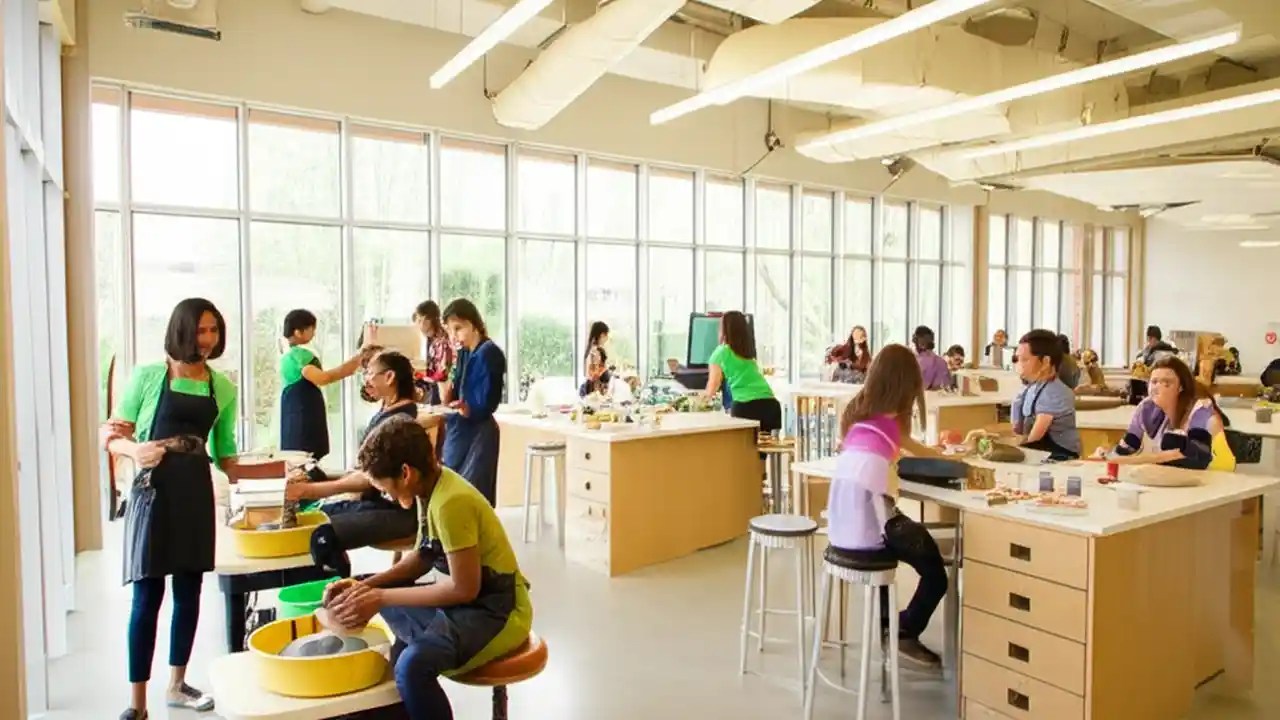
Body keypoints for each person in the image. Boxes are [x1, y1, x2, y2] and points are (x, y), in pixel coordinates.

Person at [322, 415, 532, 720]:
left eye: (384, 488)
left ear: (405, 473)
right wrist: (364, 586)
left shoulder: (450, 502)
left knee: (411, 667)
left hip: (498, 610)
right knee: (383, 613)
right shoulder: (428, 488)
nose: (385, 495)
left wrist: (380, 597)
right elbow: (422, 557)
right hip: (471, 601)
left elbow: (464, 589)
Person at [99, 298, 243, 720]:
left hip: (195, 494)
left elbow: (227, 455)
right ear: (181, 330)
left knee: (189, 594)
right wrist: (133, 450)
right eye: (200, 330)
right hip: (153, 494)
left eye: (214, 330)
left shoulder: (223, 388)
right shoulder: (148, 376)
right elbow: (109, 434)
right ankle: (137, 703)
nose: (208, 339)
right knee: (146, 597)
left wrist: (279, 477)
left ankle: (177, 685)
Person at [825, 344, 947, 668]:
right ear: (908, 386)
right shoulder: (892, 423)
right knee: (936, 572)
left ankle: (887, 627)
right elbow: (916, 450)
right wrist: (950, 459)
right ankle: (903, 630)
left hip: (841, 526)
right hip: (873, 527)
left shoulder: (857, 415)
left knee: (898, 532)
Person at [289, 351, 421, 568]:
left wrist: (311, 490)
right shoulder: (388, 412)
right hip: (376, 504)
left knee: (321, 536)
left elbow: (372, 477)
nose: (366, 380)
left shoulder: (400, 421)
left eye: (370, 373)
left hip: (398, 512)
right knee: (313, 517)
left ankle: (343, 587)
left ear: (389, 377)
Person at [1094, 357, 1222, 471]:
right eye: (1154, 382)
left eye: (1166, 383)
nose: (1157, 387)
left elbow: (1197, 455)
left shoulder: (1200, 409)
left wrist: (1128, 461)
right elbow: (1128, 446)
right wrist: (1107, 454)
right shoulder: (1146, 408)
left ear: (1181, 387)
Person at [278, 309, 369, 463]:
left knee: (299, 457)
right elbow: (323, 378)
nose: (314, 333)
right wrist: (355, 362)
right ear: (298, 332)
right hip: (303, 413)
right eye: (311, 329)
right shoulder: (300, 356)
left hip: (293, 411)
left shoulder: (286, 355)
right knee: (306, 457)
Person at [442, 298, 506, 505]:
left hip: (479, 432)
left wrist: (468, 408)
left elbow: (488, 401)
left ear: (474, 324)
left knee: (473, 497)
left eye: (458, 328)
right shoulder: (464, 353)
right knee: (453, 493)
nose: (454, 336)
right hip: (461, 430)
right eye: (450, 331)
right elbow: (453, 394)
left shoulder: (489, 353)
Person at [702, 310, 781, 433]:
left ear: (724, 330)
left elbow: (713, 384)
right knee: (765, 444)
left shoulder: (720, 352)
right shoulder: (748, 355)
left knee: (741, 445)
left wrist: (701, 403)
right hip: (771, 406)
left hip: (746, 407)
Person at [1011, 329, 1081, 459]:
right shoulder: (1031, 387)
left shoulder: (1055, 392)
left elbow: (1035, 438)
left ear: (1045, 362)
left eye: (1024, 359)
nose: (1018, 364)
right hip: (1039, 453)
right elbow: (1017, 428)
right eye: (1017, 359)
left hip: (1060, 459)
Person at [413, 300, 455, 406]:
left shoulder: (443, 341)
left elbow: (443, 374)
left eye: (419, 320)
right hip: (434, 384)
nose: (417, 324)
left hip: (443, 389)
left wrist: (424, 377)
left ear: (428, 320)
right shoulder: (430, 338)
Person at [911, 326, 950, 391]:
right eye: (922, 338)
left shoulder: (939, 362)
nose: (923, 342)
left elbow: (941, 386)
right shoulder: (909, 358)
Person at [580, 321, 612, 397]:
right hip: (595, 391)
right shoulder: (596, 351)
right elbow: (595, 375)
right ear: (602, 335)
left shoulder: (590, 349)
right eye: (606, 335)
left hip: (590, 389)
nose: (607, 338)